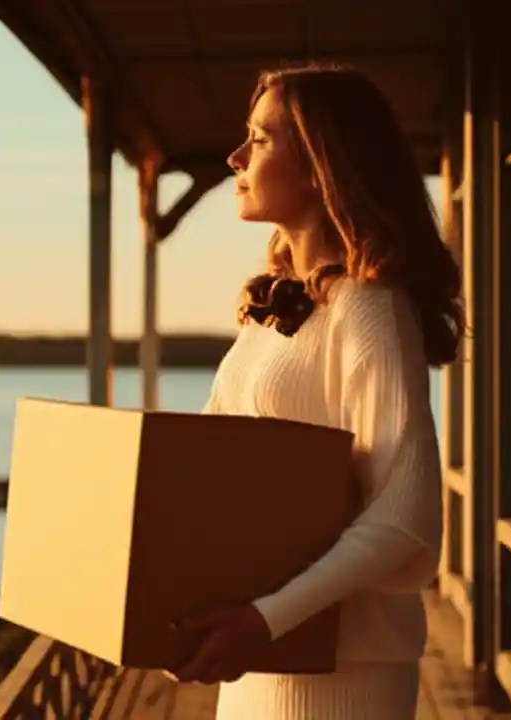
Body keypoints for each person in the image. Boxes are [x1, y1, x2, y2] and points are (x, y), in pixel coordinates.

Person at [169, 65, 464, 719]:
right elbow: (209, 468)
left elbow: (405, 516)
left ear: (322, 165)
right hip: (256, 655)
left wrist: (265, 619)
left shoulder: (369, 307)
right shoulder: (281, 305)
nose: (235, 157)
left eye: (260, 140)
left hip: (338, 673)